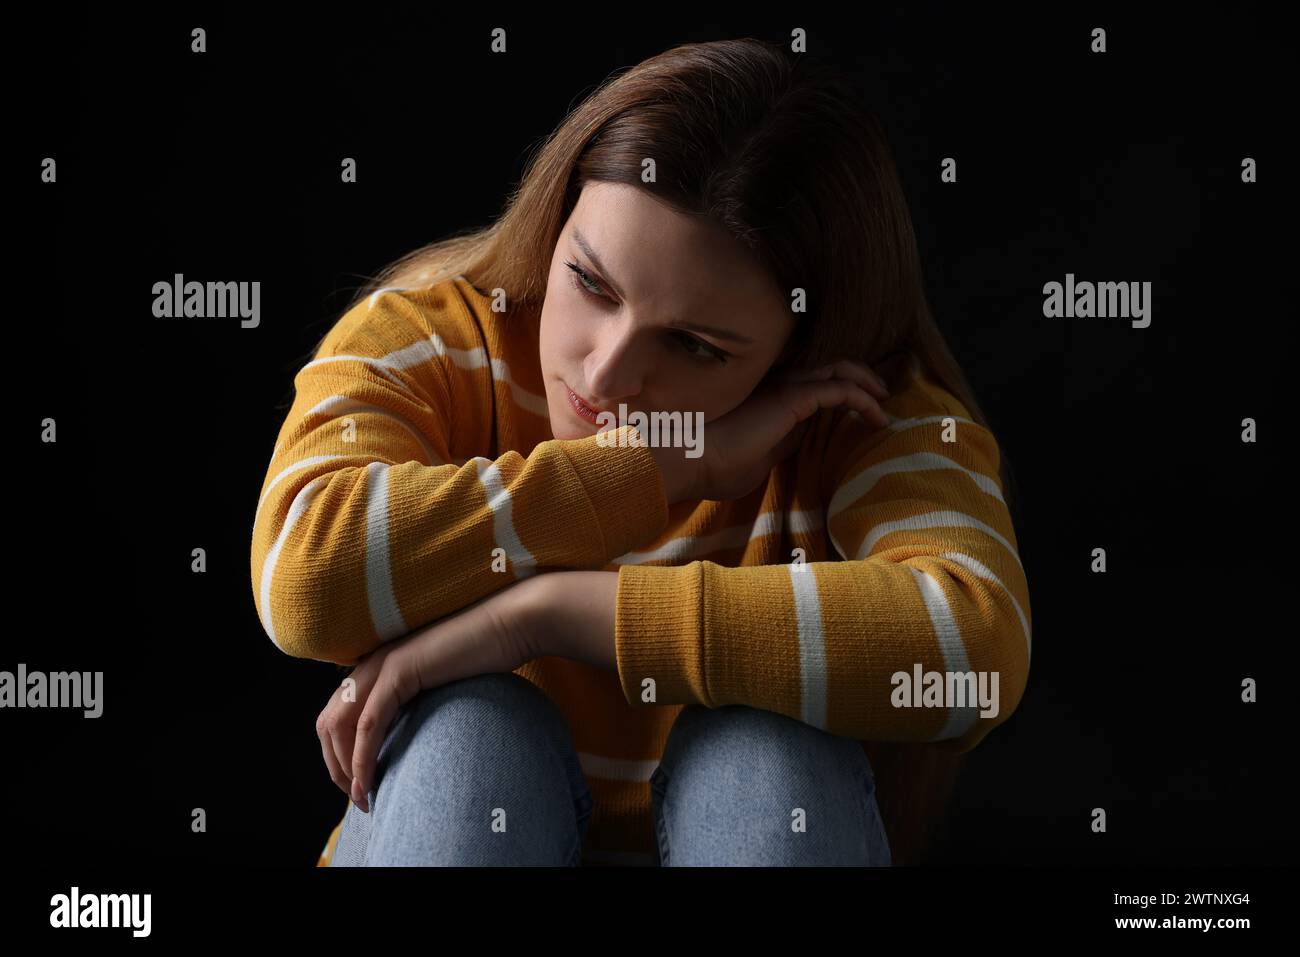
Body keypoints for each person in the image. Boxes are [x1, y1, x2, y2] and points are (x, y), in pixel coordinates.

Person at [250, 37, 1031, 867]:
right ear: (555, 222)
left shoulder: (845, 410)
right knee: (471, 735)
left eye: (694, 345)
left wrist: (542, 615)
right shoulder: (432, 339)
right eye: (592, 283)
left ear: (800, 354)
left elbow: (976, 647)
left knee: (767, 754)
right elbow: (305, 581)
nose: (606, 373)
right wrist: (667, 465)